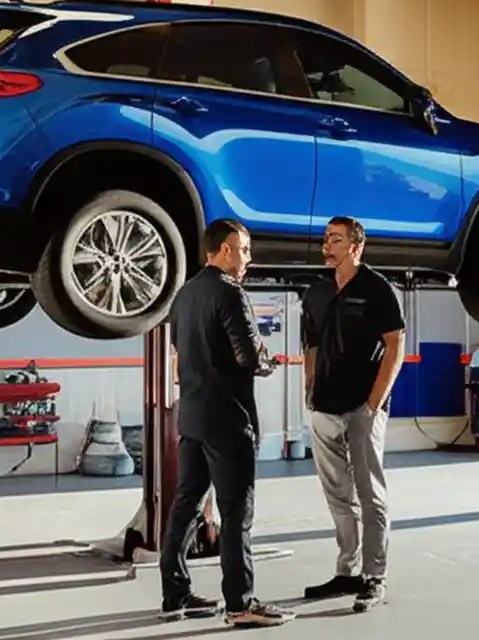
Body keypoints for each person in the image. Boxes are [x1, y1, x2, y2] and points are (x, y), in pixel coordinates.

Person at [159, 218, 294, 628]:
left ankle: (175, 592)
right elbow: (249, 357)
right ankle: (240, 603)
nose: (248, 259)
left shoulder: (183, 295)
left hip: (194, 417)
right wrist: (267, 361)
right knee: (237, 512)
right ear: (224, 251)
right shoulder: (230, 293)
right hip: (228, 420)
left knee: (185, 505)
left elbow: (180, 352)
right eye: (245, 250)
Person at [299, 216, 407, 613]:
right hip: (324, 409)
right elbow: (310, 342)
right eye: (326, 238)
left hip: (362, 408)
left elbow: (395, 346)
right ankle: (348, 571)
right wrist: (309, 390)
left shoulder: (378, 290)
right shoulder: (316, 291)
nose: (327, 245)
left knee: (370, 494)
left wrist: (372, 405)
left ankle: (374, 577)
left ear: (356, 247)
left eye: (337, 239)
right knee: (338, 496)